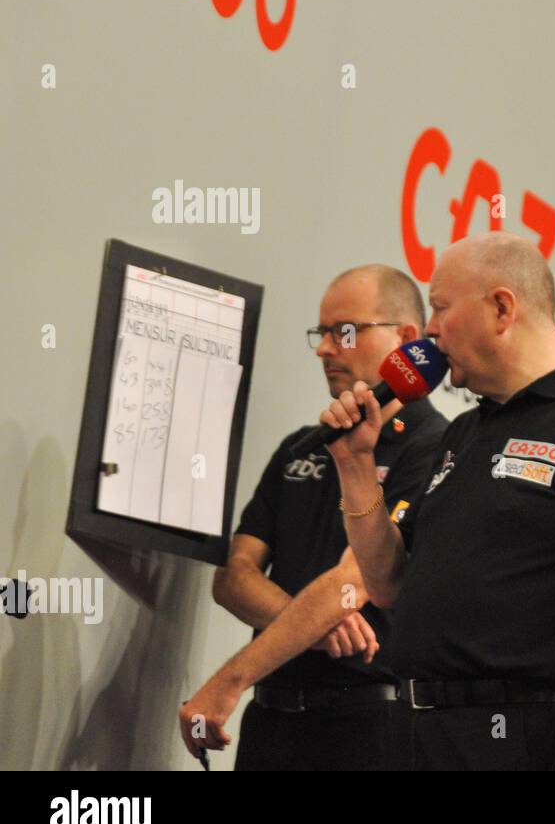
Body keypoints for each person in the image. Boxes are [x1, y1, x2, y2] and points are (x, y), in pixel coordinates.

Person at [320, 232, 555, 770]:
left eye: (440, 306)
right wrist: (355, 466)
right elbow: (389, 585)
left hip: (512, 737)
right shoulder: (464, 430)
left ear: (502, 308)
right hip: (412, 730)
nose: (431, 329)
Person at [180, 264, 449, 770]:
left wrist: (227, 682)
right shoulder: (301, 448)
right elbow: (234, 576)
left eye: (345, 331)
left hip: (366, 730)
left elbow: (355, 580)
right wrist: (312, 625)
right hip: (273, 723)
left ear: (406, 339)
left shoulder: (437, 450)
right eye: (321, 333)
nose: (326, 348)